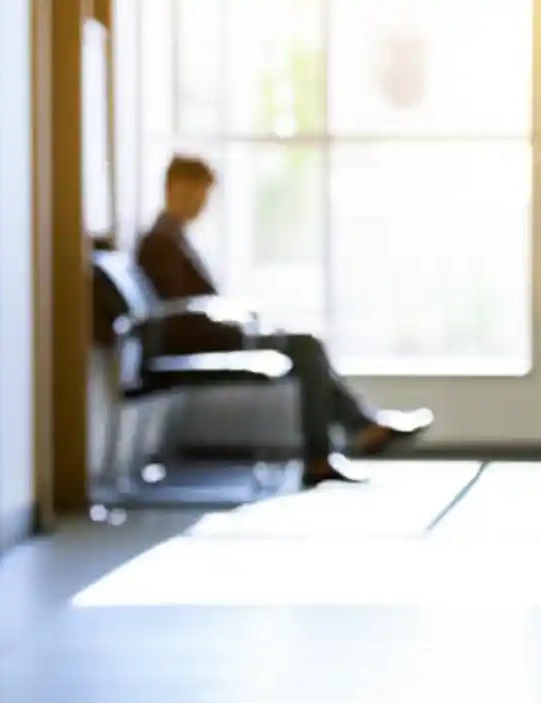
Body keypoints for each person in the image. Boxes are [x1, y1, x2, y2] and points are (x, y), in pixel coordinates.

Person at [136, 155, 433, 486]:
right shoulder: (160, 242)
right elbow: (180, 317)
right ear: (175, 187)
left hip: (215, 335)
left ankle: (357, 430)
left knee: (305, 345)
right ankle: (339, 443)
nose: (202, 204)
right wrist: (234, 324)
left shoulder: (174, 237)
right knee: (305, 347)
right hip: (203, 343)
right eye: (198, 194)